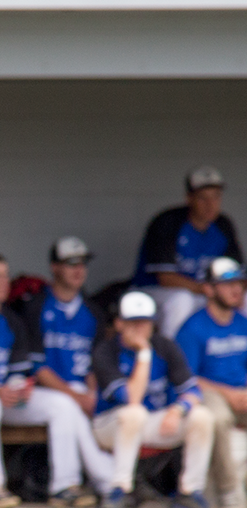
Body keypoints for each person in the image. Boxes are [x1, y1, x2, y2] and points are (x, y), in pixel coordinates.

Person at [0, 254, 99, 508]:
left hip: (4, 397)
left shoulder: (12, 321)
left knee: (62, 404)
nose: (5, 282)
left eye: (6, 275)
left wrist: (18, 388)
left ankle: (65, 487)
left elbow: (18, 371)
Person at [92, 291, 213, 508]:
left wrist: (178, 410)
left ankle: (190, 491)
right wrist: (144, 353)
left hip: (151, 422)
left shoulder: (164, 346)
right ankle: (120, 489)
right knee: (134, 413)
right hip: (109, 426)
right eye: (133, 322)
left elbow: (194, 391)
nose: (140, 328)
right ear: (119, 324)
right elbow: (132, 398)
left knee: (201, 416)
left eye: (145, 322)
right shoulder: (106, 350)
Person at [19, 237, 115, 497]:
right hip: (37, 392)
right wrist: (78, 397)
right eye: (70, 263)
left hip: (80, 390)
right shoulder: (35, 307)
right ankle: (101, 481)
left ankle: (105, 480)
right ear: (54, 267)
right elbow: (36, 368)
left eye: (82, 263)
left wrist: (92, 395)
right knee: (66, 405)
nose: (78, 270)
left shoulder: (93, 312)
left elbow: (95, 364)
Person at [131, 166, 244, 339]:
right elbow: (166, 278)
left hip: (204, 292)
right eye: (203, 198)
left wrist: (229, 292)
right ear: (189, 198)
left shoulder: (223, 225)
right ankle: (173, 358)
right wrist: (210, 290)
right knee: (182, 300)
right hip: (154, 291)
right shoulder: (168, 222)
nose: (210, 204)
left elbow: (237, 274)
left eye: (215, 197)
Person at [174, 257, 247, 508]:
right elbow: (186, 378)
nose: (236, 289)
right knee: (217, 417)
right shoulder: (192, 328)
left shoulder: (242, 323)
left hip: (241, 392)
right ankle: (230, 495)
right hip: (209, 392)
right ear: (208, 288)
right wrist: (229, 393)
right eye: (227, 284)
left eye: (239, 282)